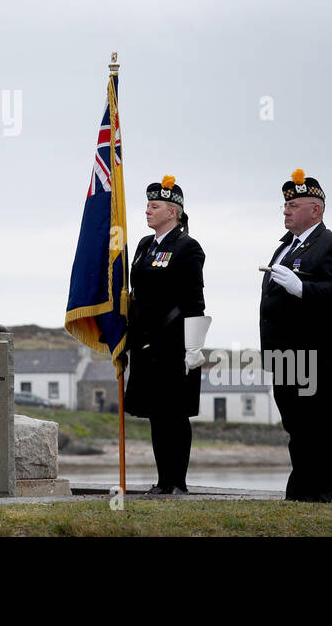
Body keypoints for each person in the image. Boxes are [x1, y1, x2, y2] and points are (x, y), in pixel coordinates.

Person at [259, 168, 332, 502]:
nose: (286, 210)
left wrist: (303, 289)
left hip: (316, 354)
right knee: (296, 427)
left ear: (316, 210)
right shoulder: (285, 247)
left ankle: (316, 495)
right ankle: (300, 492)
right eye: (285, 205)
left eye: (294, 205)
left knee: (317, 426)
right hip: (284, 355)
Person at [123, 175, 208, 495]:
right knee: (156, 416)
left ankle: (177, 482)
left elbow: (194, 300)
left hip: (174, 344)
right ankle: (162, 481)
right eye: (147, 204)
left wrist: (193, 346)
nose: (147, 210)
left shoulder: (187, 248)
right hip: (145, 344)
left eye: (154, 206)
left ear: (173, 212)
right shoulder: (145, 246)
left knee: (174, 415)